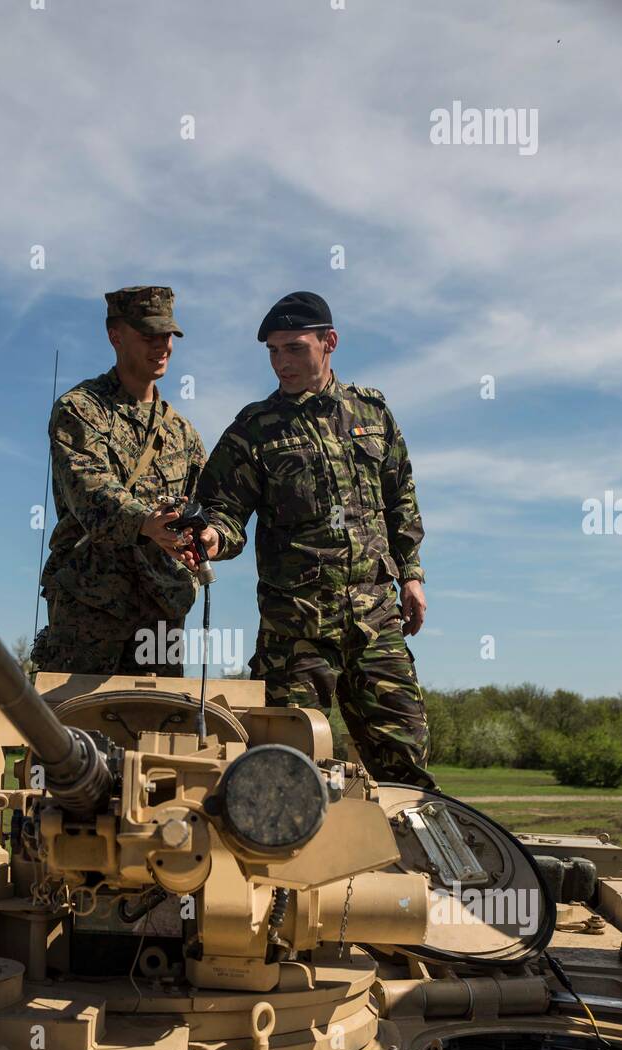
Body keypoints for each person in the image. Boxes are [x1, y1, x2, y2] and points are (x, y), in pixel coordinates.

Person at [196, 290, 438, 790]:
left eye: (294, 349)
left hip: (375, 619)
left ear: (329, 343)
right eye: (273, 352)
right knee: (287, 772)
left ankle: (420, 867)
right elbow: (223, 509)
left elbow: (401, 500)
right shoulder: (253, 429)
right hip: (296, 631)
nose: (281, 363)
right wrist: (213, 536)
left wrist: (411, 574)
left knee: (406, 764)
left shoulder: (372, 414)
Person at [31, 285, 206, 676]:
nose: (161, 346)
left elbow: (206, 504)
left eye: (168, 336)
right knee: (77, 730)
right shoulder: (80, 410)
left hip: (163, 607)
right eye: (149, 336)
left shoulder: (183, 433)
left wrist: (203, 533)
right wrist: (146, 522)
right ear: (116, 336)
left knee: (161, 726)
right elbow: (89, 485)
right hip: (91, 603)